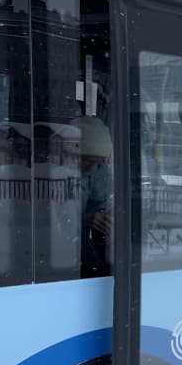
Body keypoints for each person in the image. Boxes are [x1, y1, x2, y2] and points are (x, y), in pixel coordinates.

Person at [72, 115, 113, 276]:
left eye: (97, 162)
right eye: (87, 161)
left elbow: (100, 203)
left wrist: (105, 217)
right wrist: (82, 218)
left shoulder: (98, 172)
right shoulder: (52, 172)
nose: (91, 167)